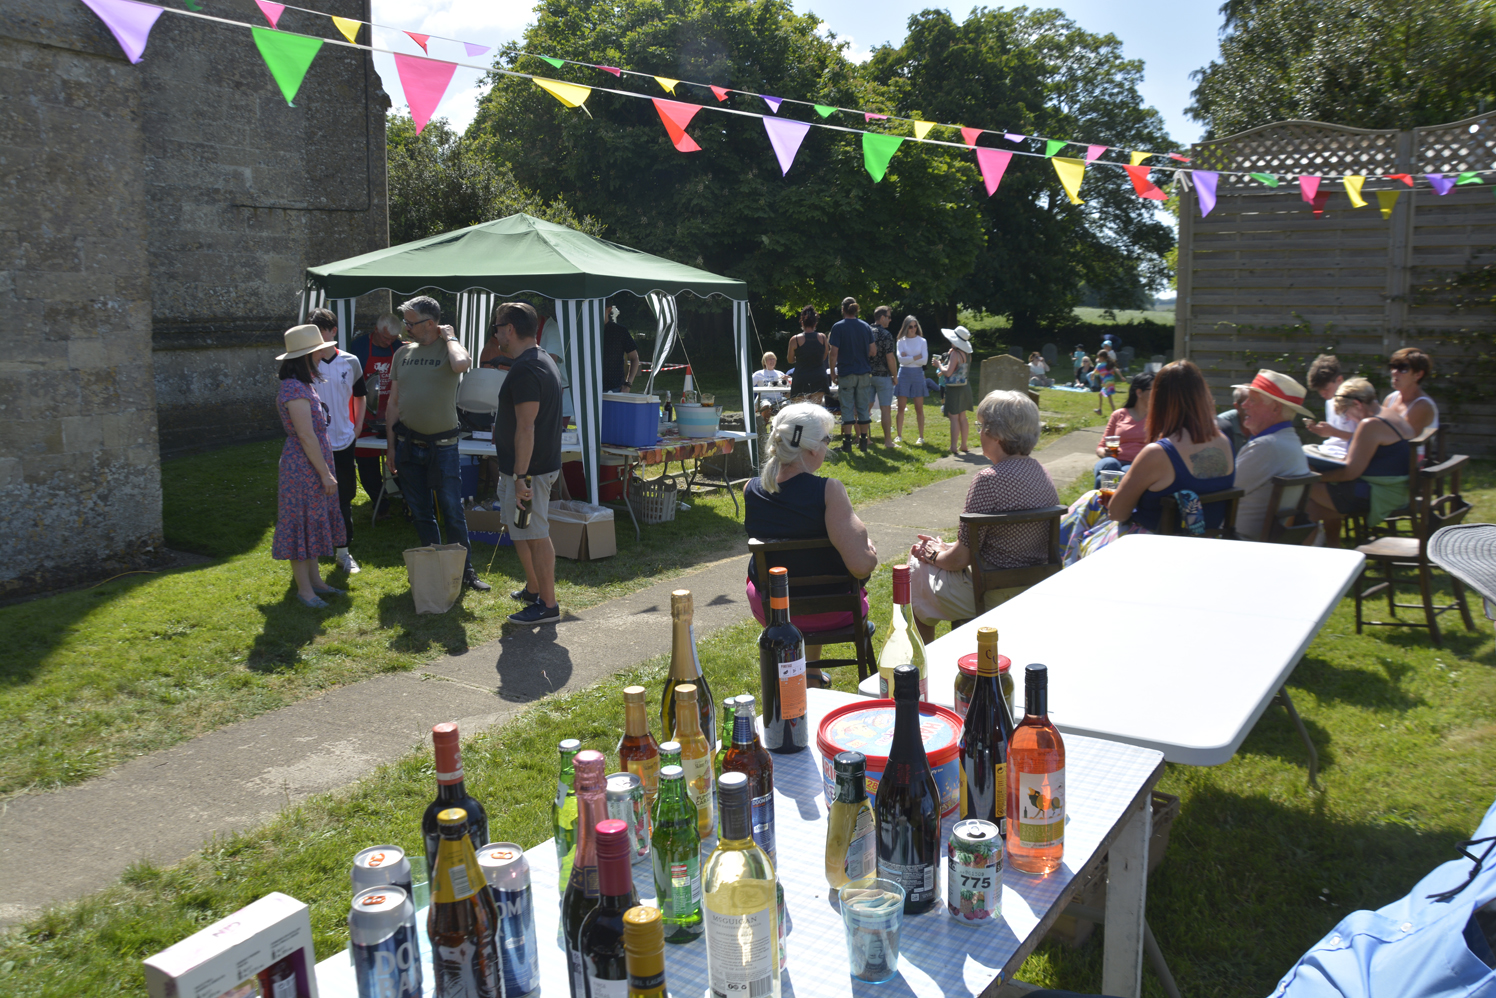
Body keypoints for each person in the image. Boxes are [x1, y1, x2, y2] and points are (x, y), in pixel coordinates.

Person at [743, 402, 878, 687]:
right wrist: (868, 547)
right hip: (832, 610)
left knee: (797, 576)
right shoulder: (828, 490)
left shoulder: (752, 489)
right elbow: (861, 564)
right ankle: (811, 673)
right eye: (828, 439)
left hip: (773, 611)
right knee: (817, 576)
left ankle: (811, 673)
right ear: (813, 448)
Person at [908, 391, 1059, 642]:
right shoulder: (1041, 472)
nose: (978, 433)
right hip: (1034, 587)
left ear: (997, 434)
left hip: (991, 592)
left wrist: (932, 553)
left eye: (980, 426)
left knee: (916, 568)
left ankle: (925, 667)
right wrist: (947, 547)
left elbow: (959, 560)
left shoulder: (988, 480)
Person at [385, 295, 490, 592]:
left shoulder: (449, 350)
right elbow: (393, 402)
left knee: (451, 510)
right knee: (420, 512)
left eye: (410, 322)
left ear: (430, 323)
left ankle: (465, 571)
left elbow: (462, 364)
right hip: (407, 444)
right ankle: (434, 568)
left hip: (442, 447)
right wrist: (391, 447)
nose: (405, 327)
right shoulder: (401, 355)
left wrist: (451, 337)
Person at [491, 301, 565, 624]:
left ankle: (547, 606)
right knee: (522, 532)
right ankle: (534, 591)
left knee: (536, 535)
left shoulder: (526, 368)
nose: (496, 336)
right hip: (524, 470)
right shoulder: (540, 359)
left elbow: (526, 426)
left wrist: (521, 476)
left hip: (529, 473)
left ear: (509, 329)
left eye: (497, 328)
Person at [1106, 360, 1236, 534]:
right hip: (1204, 547)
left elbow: (1117, 513)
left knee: (1082, 516)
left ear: (1158, 400)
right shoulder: (1224, 442)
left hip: (1152, 549)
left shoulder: (1158, 453)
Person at [271, 325, 345, 608]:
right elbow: (305, 435)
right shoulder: (293, 388)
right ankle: (305, 590)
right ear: (306, 356)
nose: (321, 355)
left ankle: (316, 582)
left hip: (309, 462)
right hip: (302, 466)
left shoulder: (303, 385)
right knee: (301, 523)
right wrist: (325, 472)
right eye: (316, 351)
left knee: (313, 521)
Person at [1303, 378, 1414, 546]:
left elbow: (1349, 473)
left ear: (1357, 404)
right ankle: (1332, 549)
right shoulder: (1389, 414)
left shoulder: (1369, 425)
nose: (1348, 419)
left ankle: (1321, 552)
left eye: (1346, 413)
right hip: (1397, 488)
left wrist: (1313, 476)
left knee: (1303, 490)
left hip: (1380, 494)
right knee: (1310, 509)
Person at [308, 307, 367, 574]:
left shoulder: (350, 361)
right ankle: (313, 553)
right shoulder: (305, 363)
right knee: (313, 499)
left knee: (343, 498)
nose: (317, 338)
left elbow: (360, 395)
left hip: (343, 441)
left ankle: (343, 552)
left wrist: (356, 428)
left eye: (321, 331)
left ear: (333, 332)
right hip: (314, 443)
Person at [1230, 369, 1315, 541]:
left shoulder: (1265, 447)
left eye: (1252, 400)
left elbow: (1223, 489)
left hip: (1236, 540)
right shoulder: (1291, 441)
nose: (1244, 405)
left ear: (1276, 408)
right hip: (1263, 540)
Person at [347, 312, 403, 519]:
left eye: (392, 339)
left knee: (400, 458)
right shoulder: (359, 347)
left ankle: (408, 497)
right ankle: (380, 503)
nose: (388, 342)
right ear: (376, 330)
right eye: (385, 338)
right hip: (365, 413)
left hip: (393, 413)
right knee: (366, 461)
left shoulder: (398, 348)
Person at [828, 297, 877, 453]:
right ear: (856, 310)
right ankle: (863, 441)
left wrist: (832, 372)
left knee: (847, 407)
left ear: (843, 309)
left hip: (846, 372)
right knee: (863, 407)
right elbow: (873, 351)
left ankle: (847, 443)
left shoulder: (838, 327)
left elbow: (833, 353)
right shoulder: (865, 327)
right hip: (863, 373)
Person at [1093, 371, 1153, 488]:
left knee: (1115, 476)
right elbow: (1100, 447)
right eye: (1154, 390)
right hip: (1112, 460)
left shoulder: (1157, 418)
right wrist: (1105, 452)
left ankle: (1099, 504)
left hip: (1136, 464)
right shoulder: (1118, 415)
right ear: (1139, 392)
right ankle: (1105, 503)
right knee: (1110, 465)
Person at [1382, 347, 1439, 453]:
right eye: (1393, 367)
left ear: (1418, 375)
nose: (1395, 372)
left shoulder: (1422, 405)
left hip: (1411, 461)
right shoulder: (1390, 399)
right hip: (1389, 455)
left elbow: (1402, 440)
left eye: (1403, 368)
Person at [1303, 353, 1355, 467]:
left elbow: (1365, 440)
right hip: (1327, 450)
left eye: (1326, 389)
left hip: (1343, 456)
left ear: (1339, 380)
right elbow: (1335, 436)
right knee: (1300, 451)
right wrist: (1321, 431)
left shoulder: (1356, 403)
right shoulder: (1329, 402)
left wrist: (1333, 432)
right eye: (1319, 391)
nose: (1322, 394)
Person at [939, 325, 974, 455]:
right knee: (963, 417)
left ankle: (953, 446)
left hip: (954, 389)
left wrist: (939, 365)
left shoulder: (954, 354)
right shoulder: (967, 354)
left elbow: (948, 373)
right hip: (965, 387)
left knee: (953, 417)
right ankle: (964, 445)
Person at [894, 315, 929, 445]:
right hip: (903, 374)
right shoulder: (900, 341)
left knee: (919, 408)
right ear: (906, 327)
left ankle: (921, 436)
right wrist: (916, 357)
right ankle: (899, 435)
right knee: (901, 408)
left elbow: (924, 360)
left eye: (915, 326)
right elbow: (901, 360)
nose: (913, 329)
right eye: (910, 326)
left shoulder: (922, 341)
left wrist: (909, 357)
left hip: (918, 374)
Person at [786, 305, 830, 404]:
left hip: (801, 378)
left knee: (800, 411)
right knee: (816, 410)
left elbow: (790, 360)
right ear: (815, 323)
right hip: (819, 377)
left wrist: (800, 359)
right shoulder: (823, 337)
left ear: (802, 323)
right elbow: (824, 356)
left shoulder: (795, 339)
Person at [869, 305, 898, 447]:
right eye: (888, 317)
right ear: (882, 318)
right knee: (885, 408)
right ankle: (888, 441)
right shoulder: (886, 334)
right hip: (883, 376)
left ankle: (864, 439)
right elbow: (890, 358)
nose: (890, 320)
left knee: (864, 409)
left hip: (867, 376)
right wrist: (895, 376)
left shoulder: (866, 331)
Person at [601, 304, 641, 393]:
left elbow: (634, 358)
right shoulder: (586, 331)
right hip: (589, 388)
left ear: (608, 309)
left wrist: (628, 384)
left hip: (615, 388)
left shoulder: (620, 331)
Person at [1216, 385, 1252, 455]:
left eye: (1255, 403)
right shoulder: (1221, 426)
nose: (1253, 408)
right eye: (1247, 405)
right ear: (1237, 406)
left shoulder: (1263, 422)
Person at [1093, 350, 1118, 415]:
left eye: (1099, 357)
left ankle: (1115, 414)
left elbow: (1096, 373)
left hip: (1106, 384)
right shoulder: (1109, 363)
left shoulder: (1100, 365)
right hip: (1111, 383)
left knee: (1110, 399)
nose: (1098, 359)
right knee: (1100, 394)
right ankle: (1099, 410)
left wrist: (1092, 376)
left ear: (1102, 357)